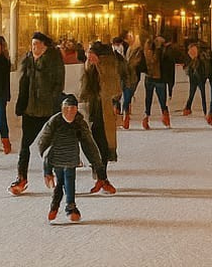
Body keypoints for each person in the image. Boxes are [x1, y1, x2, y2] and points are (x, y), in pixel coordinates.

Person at [39, 94, 112, 223]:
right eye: (67, 109)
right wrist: (47, 169)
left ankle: (67, 206)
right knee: (61, 181)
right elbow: (44, 143)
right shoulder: (54, 122)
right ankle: (63, 206)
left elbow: (89, 146)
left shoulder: (79, 123)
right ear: (62, 109)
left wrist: (99, 169)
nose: (69, 112)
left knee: (68, 180)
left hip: (71, 158)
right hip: (56, 158)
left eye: (73, 109)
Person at [8, 32, 65, 196]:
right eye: (32, 44)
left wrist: (53, 104)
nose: (34, 47)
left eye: (37, 44)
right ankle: (21, 178)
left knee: (51, 145)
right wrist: (21, 105)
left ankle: (55, 174)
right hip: (31, 110)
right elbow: (23, 85)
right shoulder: (28, 61)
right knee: (25, 145)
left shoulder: (53, 61)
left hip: (48, 110)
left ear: (45, 46)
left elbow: (58, 85)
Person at [78, 42, 125, 194]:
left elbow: (114, 90)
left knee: (103, 146)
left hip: (104, 113)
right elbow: (84, 91)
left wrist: (99, 68)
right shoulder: (89, 68)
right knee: (94, 146)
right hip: (91, 111)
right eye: (88, 55)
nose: (89, 58)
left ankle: (102, 178)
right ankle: (101, 178)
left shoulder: (108, 69)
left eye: (92, 55)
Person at [142, 36, 171, 130]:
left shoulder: (147, 49)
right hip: (158, 78)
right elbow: (154, 61)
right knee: (161, 100)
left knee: (149, 99)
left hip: (150, 77)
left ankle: (147, 117)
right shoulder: (156, 51)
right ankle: (164, 117)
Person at [121, 31, 144, 130]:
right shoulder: (129, 48)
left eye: (131, 37)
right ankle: (126, 112)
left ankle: (126, 113)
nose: (129, 39)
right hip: (128, 75)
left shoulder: (137, 50)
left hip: (133, 76)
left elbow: (136, 63)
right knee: (127, 94)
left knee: (128, 93)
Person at [183, 42, 209, 117]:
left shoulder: (190, 56)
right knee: (202, 94)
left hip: (194, 77)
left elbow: (186, 66)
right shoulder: (201, 55)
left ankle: (188, 109)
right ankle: (205, 111)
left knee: (192, 94)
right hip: (199, 77)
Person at [1, 36, 11, 155]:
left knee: (1, 118)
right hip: (2, 95)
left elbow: (4, 81)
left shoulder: (3, 61)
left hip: (1, 95)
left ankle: (6, 142)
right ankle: (5, 142)